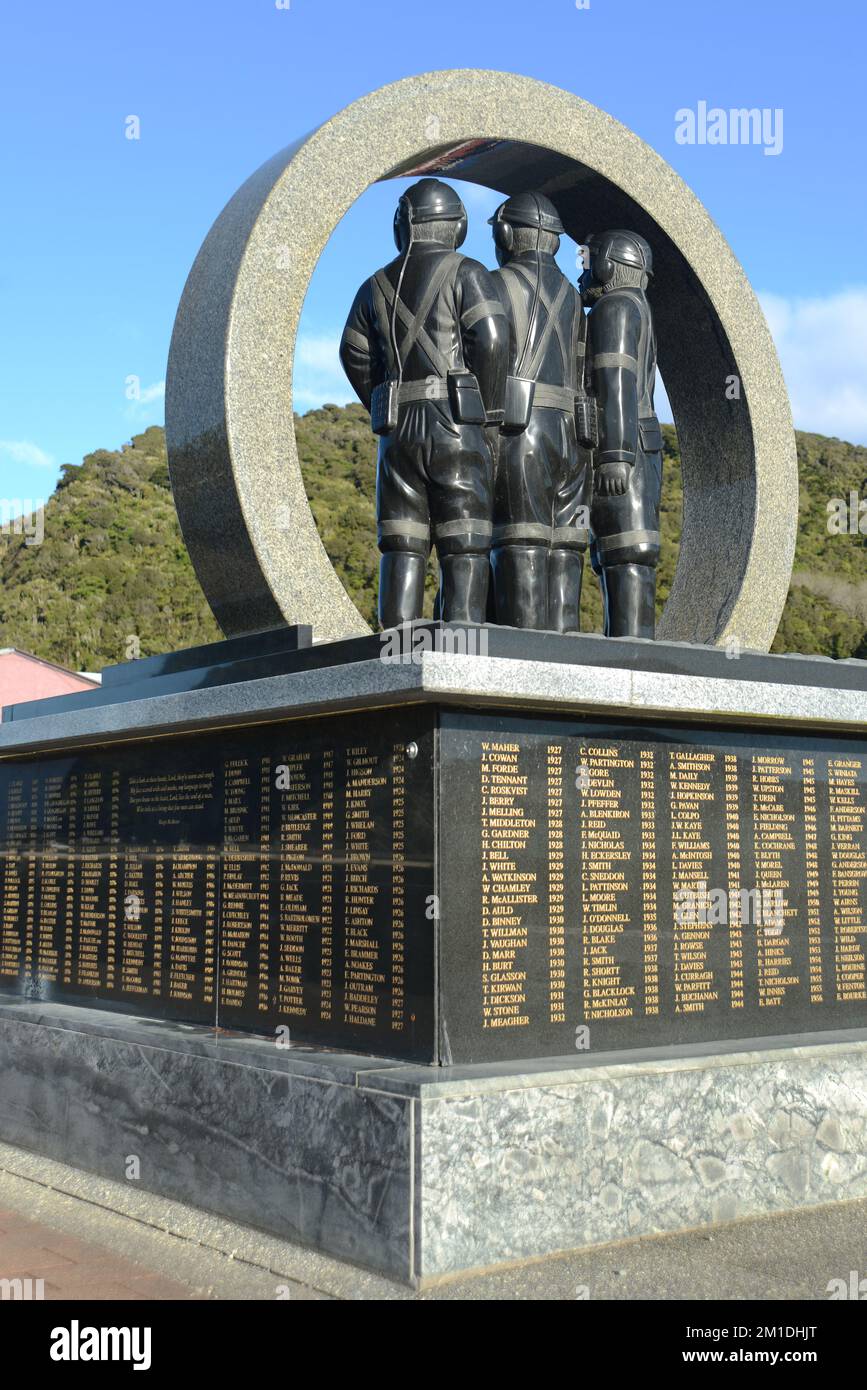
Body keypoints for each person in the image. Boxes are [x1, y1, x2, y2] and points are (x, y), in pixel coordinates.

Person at [339, 178, 507, 627]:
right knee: (465, 539)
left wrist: (383, 400)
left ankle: (395, 646)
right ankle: (464, 643)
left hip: (397, 431)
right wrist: (488, 416)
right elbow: (491, 339)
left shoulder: (373, 285)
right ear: (457, 225)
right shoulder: (469, 272)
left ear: (404, 224)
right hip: (456, 421)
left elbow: (352, 352)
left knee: (401, 541)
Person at [488, 192, 592, 631]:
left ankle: (521, 673)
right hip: (574, 438)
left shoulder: (492, 285)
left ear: (507, 233)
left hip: (519, 428)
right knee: (566, 551)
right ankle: (564, 674)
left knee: (521, 546)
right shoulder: (576, 299)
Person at [580, 229, 663, 639]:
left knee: (624, 552)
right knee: (624, 552)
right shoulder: (638, 306)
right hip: (640, 441)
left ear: (608, 265)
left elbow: (616, 383)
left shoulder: (614, 307)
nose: (583, 272)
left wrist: (614, 453)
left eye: (589, 260)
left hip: (621, 447)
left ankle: (630, 661)